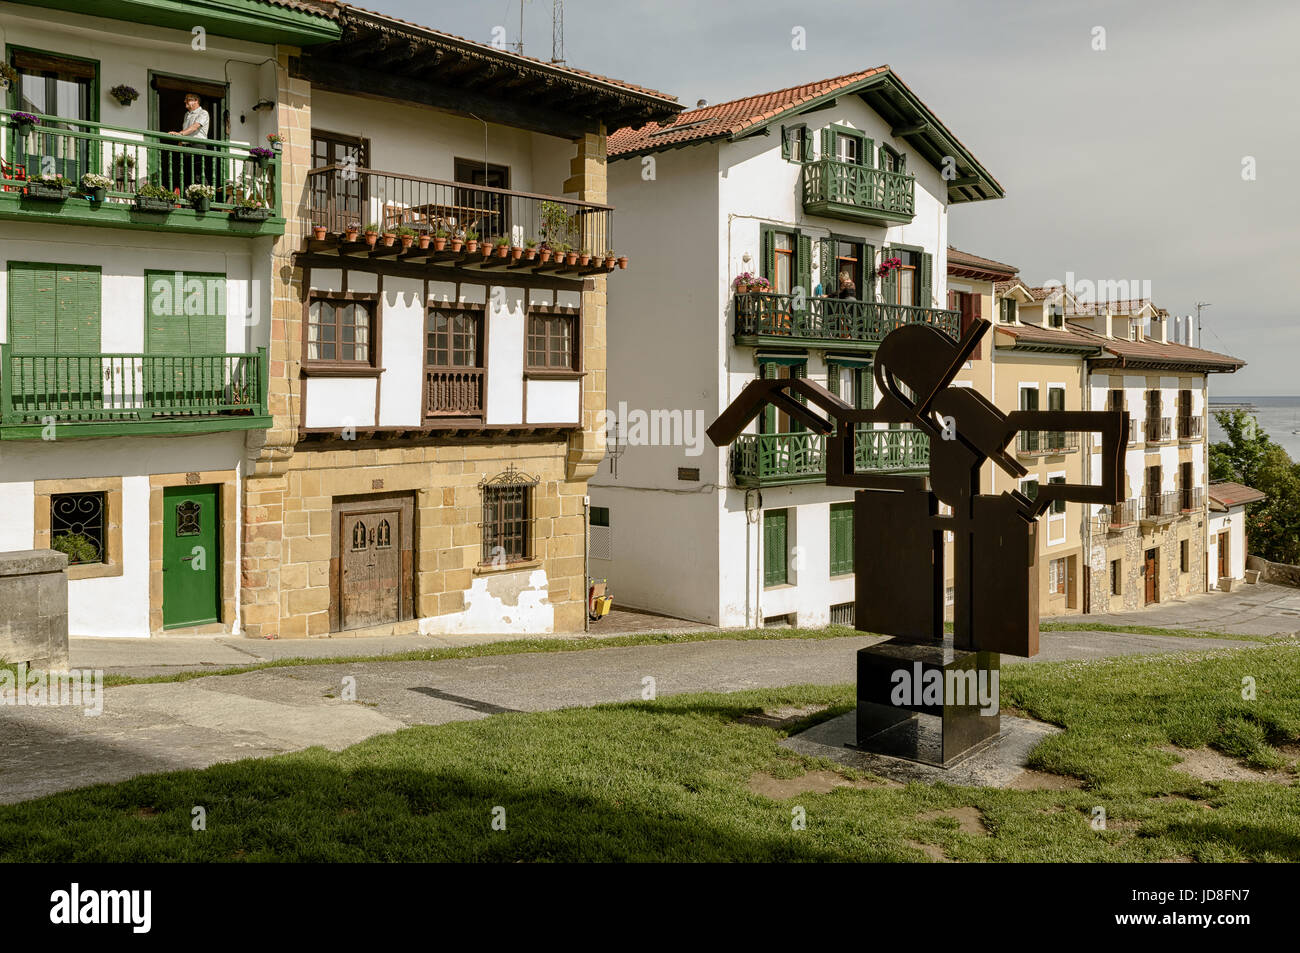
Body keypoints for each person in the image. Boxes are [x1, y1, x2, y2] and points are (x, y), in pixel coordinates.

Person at [166, 93, 211, 191]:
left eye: (188, 99)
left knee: (198, 175)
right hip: (187, 147)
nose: (185, 101)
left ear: (196, 101)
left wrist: (180, 134)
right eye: (185, 99)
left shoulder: (203, 113)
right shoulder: (187, 114)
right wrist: (180, 142)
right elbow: (187, 130)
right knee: (187, 175)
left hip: (198, 146)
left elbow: (195, 127)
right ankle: (189, 201)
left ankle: (205, 198)